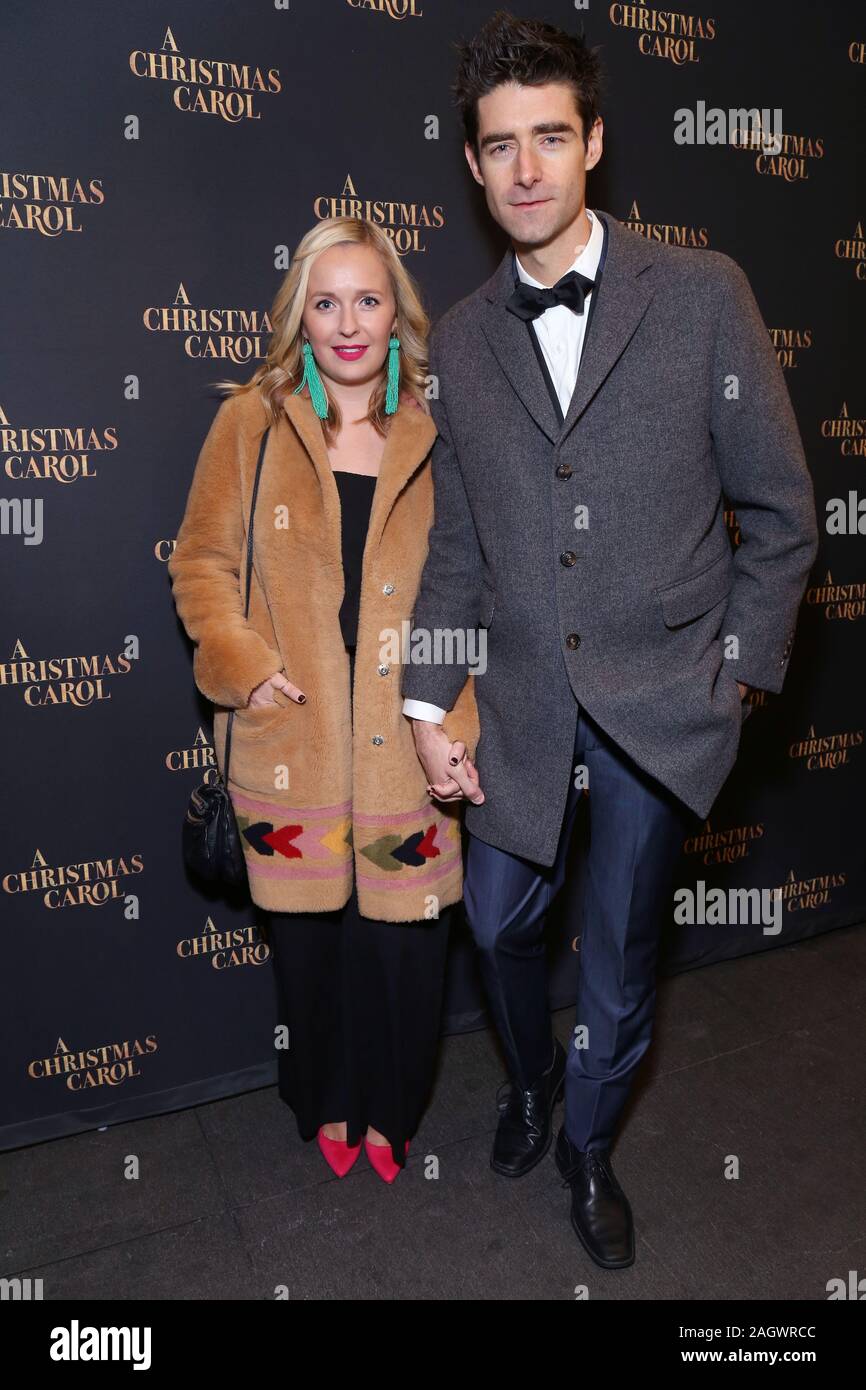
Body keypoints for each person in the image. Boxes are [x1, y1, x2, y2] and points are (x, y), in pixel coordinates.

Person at [401, 12, 818, 1264]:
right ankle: (527, 1082)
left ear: (591, 142)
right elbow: (458, 551)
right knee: (497, 924)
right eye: (498, 145)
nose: (524, 167)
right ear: (471, 167)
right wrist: (428, 709)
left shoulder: (700, 295)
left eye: (547, 136)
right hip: (521, 703)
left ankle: (587, 1145)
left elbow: (782, 514)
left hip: (658, 696)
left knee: (625, 957)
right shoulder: (462, 341)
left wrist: (736, 675)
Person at [168, 216, 482, 1183]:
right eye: (327, 300)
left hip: (408, 740)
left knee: (406, 955)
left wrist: (455, 720)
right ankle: (329, 1098)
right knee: (307, 953)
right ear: (300, 314)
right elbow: (202, 564)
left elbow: (474, 583)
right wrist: (243, 661)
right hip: (294, 735)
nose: (349, 322)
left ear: (398, 316)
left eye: (369, 300)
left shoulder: (442, 428)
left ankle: (393, 1109)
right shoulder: (251, 422)